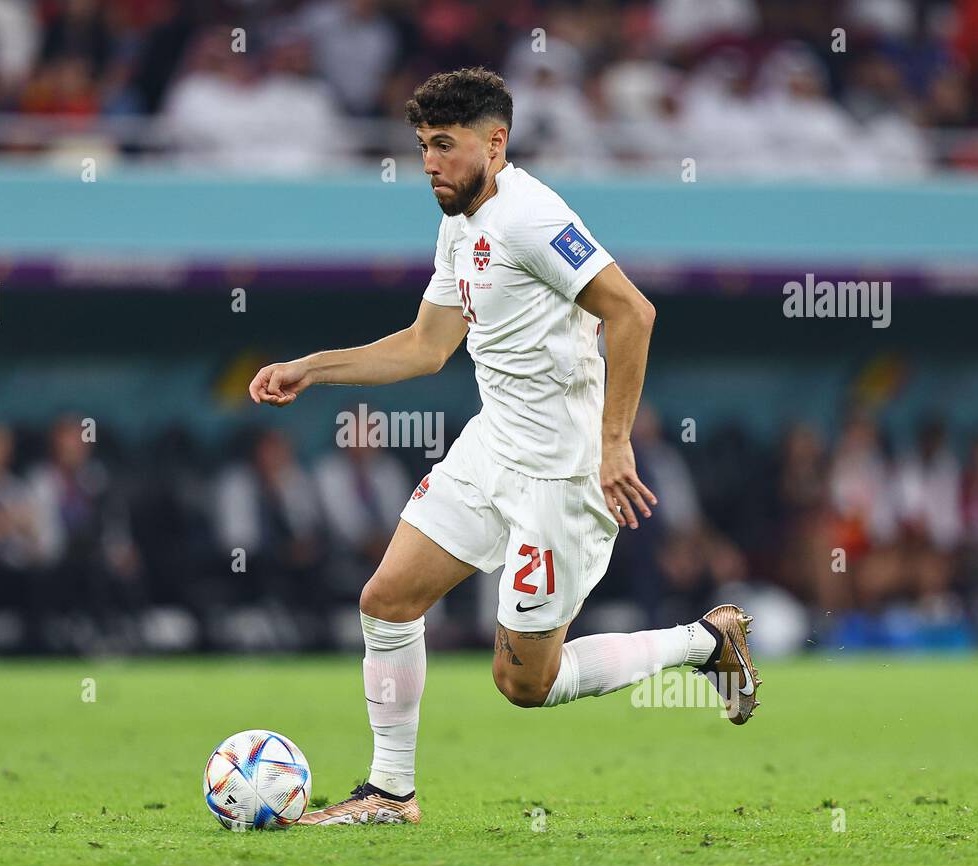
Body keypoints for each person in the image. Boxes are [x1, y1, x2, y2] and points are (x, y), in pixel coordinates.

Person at [248, 68, 760, 826]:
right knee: (386, 600)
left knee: (525, 683)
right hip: (491, 450)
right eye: (422, 146)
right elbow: (428, 346)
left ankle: (703, 641)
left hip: (561, 476)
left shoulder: (529, 216)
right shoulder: (460, 222)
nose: (429, 164)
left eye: (445, 146)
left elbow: (634, 313)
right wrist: (311, 367)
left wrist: (615, 441)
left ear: (496, 141)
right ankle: (391, 791)